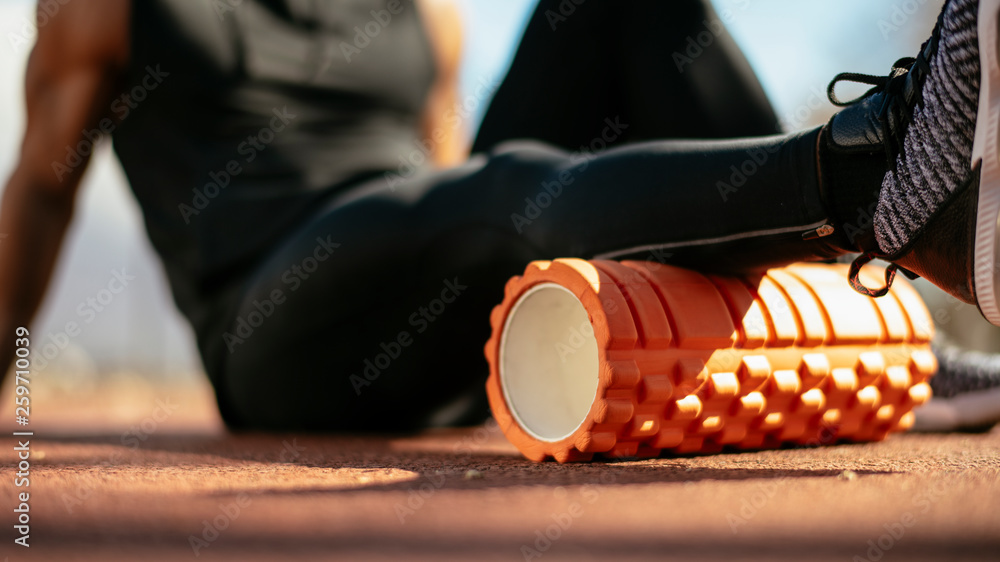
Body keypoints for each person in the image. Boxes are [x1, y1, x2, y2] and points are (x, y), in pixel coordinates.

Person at [1, 0, 997, 431]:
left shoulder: (419, 15)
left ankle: (856, 341)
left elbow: (441, 173)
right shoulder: (105, 11)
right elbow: (40, 192)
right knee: (492, 196)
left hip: (434, 271)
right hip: (277, 328)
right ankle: (873, 179)